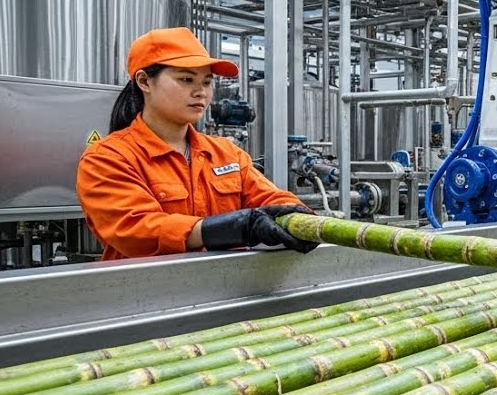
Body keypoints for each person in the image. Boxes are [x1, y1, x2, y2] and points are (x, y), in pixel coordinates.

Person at [77, 26, 319, 261]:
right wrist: (231, 228)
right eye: (186, 79)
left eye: (206, 82)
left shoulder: (226, 154)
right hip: (146, 295)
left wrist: (297, 216)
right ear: (144, 81)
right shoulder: (108, 157)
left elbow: (271, 199)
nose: (201, 92)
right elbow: (135, 229)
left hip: (225, 291)